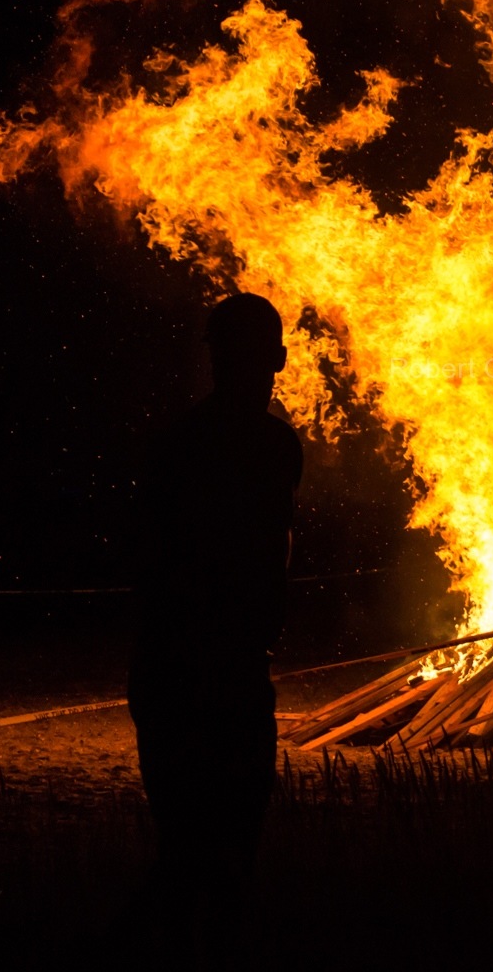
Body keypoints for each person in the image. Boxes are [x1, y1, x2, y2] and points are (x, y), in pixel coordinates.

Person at [127, 293, 302, 942]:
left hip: (191, 672)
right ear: (280, 360)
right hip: (203, 674)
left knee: (201, 861)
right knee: (209, 862)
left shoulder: (180, 445)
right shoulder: (270, 448)